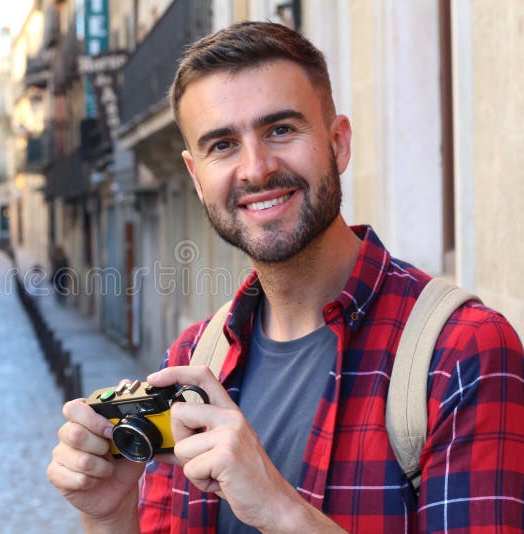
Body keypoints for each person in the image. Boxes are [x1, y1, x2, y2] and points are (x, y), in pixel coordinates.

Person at [47, 21, 524, 533]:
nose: (256, 168)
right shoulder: (191, 360)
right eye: (223, 144)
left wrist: (277, 508)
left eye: (281, 130)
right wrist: (109, 516)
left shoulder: (461, 351)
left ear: (337, 144)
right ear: (196, 176)